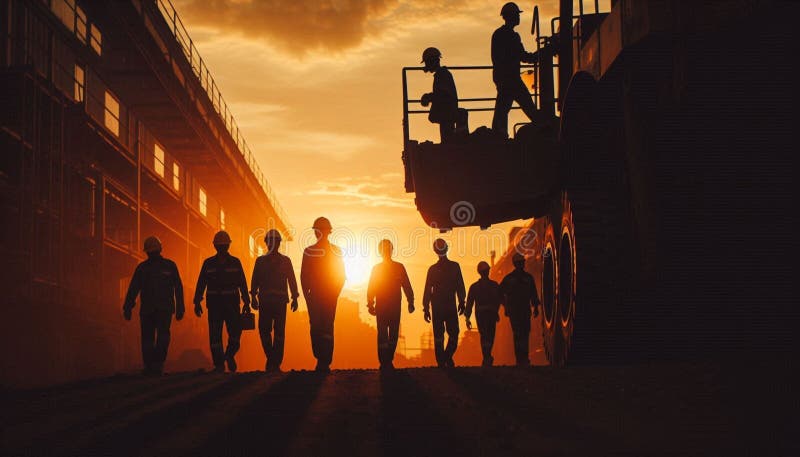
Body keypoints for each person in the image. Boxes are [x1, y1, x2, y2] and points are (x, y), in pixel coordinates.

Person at [123, 236, 185, 375]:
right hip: (160, 309)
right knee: (156, 337)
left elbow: (134, 289)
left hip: (152, 310)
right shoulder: (168, 266)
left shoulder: (143, 268)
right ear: (160, 249)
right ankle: (155, 365)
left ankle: (152, 365)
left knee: (150, 338)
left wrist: (128, 307)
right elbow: (134, 288)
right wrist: (180, 307)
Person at [193, 230, 250, 373]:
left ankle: (229, 356)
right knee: (215, 338)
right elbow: (201, 284)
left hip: (229, 306)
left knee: (235, 335)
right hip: (215, 307)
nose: (222, 248)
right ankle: (219, 365)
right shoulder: (208, 264)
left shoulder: (234, 263)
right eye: (221, 246)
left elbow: (242, 283)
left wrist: (247, 302)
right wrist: (197, 301)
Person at [300, 217, 346, 373]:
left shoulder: (312, 251)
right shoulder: (330, 251)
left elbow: (340, 275)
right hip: (323, 296)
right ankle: (323, 359)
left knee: (321, 326)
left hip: (322, 296)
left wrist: (333, 294)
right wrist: (334, 294)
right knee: (324, 327)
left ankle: (323, 360)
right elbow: (304, 277)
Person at [250, 229, 298, 373]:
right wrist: (294, 298)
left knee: (271, 332)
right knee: (276, 333)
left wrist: (295, 297)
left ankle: (273, 361)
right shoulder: (283, 261)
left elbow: (291, 280)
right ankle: (273, 361)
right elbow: (255, 281)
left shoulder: (262, 261)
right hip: (276, 303)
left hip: (269, 302)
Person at [491, 2, 540, 138]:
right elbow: (522, 56)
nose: (519, 18)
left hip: (503, 77)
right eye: (517, 15)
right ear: (511, 16)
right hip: (511, 78)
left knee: (503, 108)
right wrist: (539, 55)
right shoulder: (511, 36)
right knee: (527, 105)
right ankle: (543, 128)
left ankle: (498, 134)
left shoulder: (498, 34)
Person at [366, 239, 415, 371]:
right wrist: (370, 303)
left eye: (388, 249)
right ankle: (385, 361)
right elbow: (372, 287)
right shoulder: (381, 269)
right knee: (385, 334)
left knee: (391, 334)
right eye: (386, 249)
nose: (387, 252)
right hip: (385, 306)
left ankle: (386, 361)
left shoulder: (398, 268)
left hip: (391, 306)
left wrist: (411, 301)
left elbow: (406, 285)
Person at [422, 238, 466, 368]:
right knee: (453, 333)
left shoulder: (433, 270)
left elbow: (427, 291)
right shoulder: (454, 266)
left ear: (435, 251)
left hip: (438, 307)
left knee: (439, 335)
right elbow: (460, 286)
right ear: (447, 249)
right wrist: (462, 302)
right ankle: (446, 358)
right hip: (449, 305)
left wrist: (426, 308)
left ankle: (443, 360)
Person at [499, 252, 540, 366]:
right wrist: (506, 306)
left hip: (521, 310)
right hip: (517, 311)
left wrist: (535, 307)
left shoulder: (512, 278)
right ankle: (521, 359)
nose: (522, 264)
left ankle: (523, 359)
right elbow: (500, 293)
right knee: (520, 334)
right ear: (517, 264)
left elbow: (533, 294)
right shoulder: (523, 278)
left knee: (523, 333)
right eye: (521, 262)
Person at [465, 261, 503, 367]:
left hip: (481, 315)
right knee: (490, 336)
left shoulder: (474, 287)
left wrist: (467, 318)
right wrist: (500, 310)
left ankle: (487, 356)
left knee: (484, 335)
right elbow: (500, 299)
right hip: (491, 314)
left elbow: (469, 304)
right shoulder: (494, 285)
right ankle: (487, 356)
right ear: (487, 271)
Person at [420, 47, 461, 143]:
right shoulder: (442, 74)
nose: (426, 65)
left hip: (447, 114)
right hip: (447, 114)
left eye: (427, 62)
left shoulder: (442, 75)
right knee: (447, 139)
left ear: (432, 61)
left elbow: (443, 94)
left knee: (448, 140)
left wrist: (429, 97)